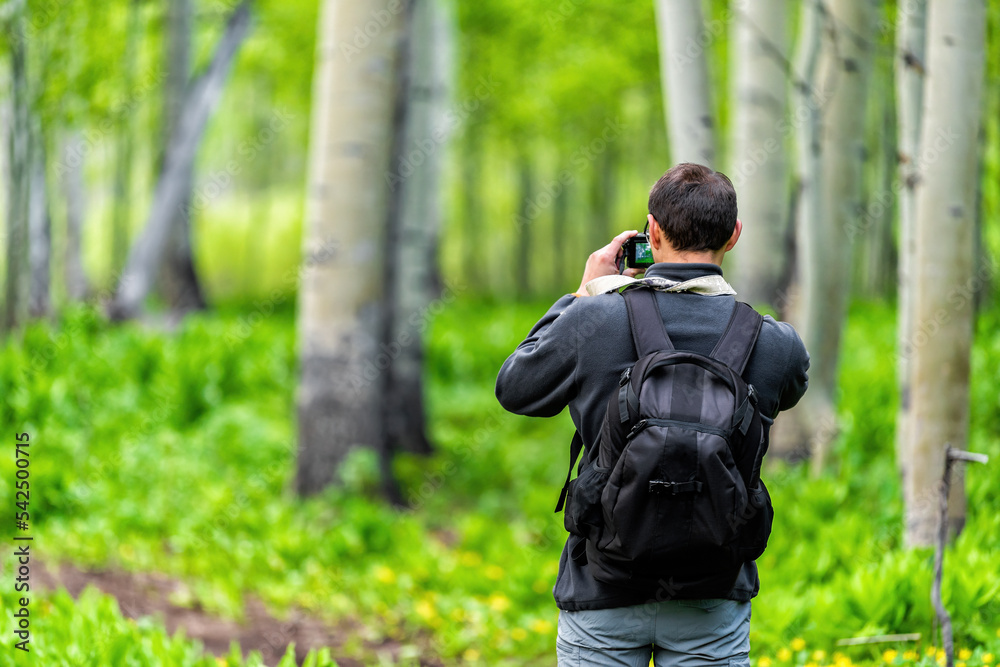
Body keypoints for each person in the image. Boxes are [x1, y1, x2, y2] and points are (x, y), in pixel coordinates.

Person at [495, 163, 809, 667]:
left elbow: (515, 388)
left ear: (651, 231)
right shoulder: (776, 344)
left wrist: (582, 294)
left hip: (602, 588)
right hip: (712, 595)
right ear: (733, 236)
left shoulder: (594, 320)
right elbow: (788, 392)